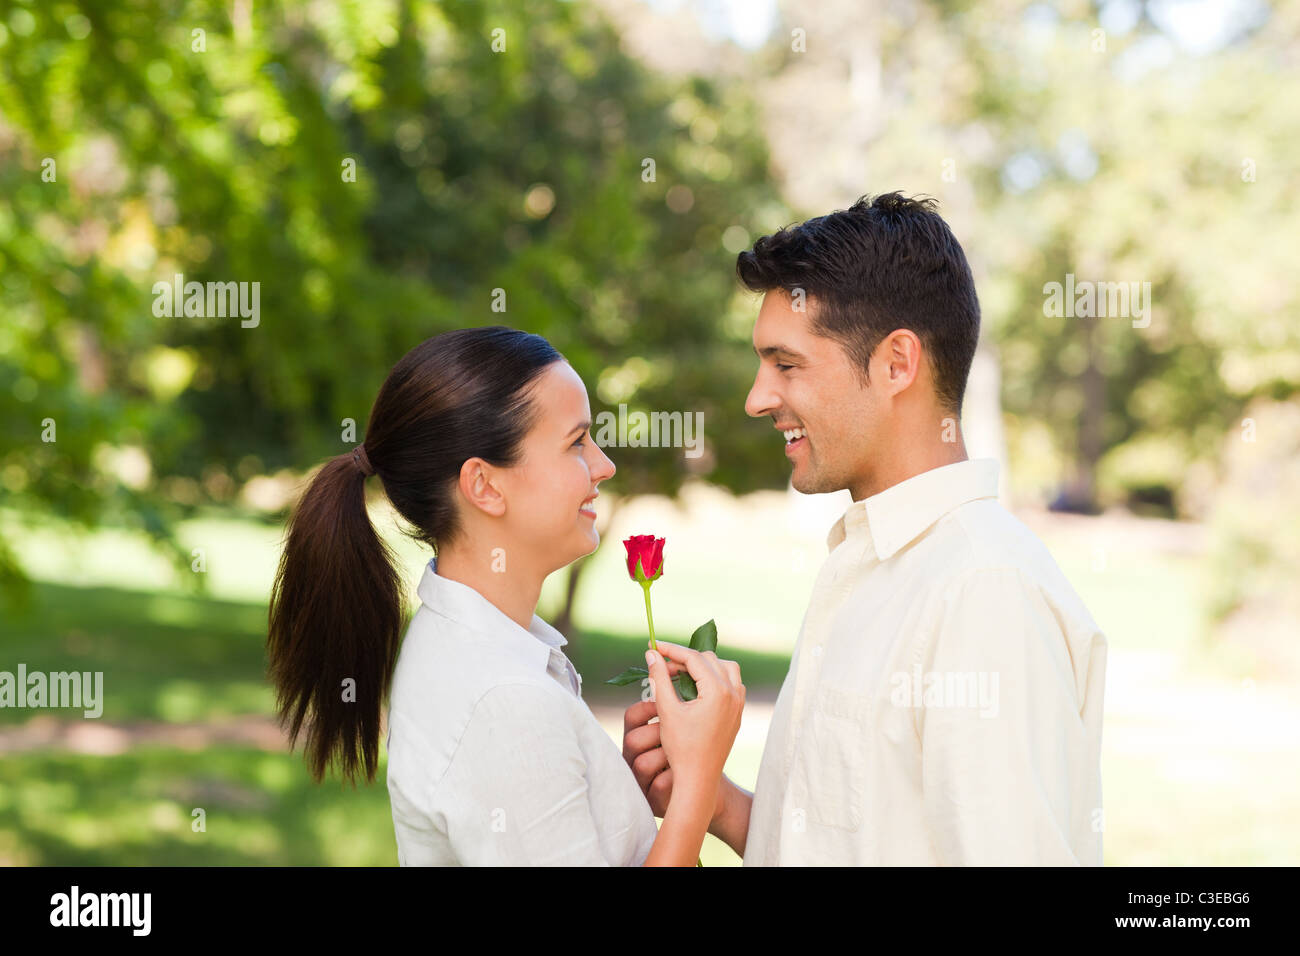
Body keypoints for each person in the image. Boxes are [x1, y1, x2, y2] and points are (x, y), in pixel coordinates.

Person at [623, 193, 1108, 865]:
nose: (757, 398)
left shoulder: (982, 590)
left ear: (896, 364)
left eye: (785, 363)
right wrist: (717, 804)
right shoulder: (873, 562)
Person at [267, 326, 744, 865]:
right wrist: (699, 783)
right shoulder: (504, 701)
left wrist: (622, 792)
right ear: (486, 486)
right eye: (576, 442)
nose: (604, 466)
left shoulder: (484, 653)